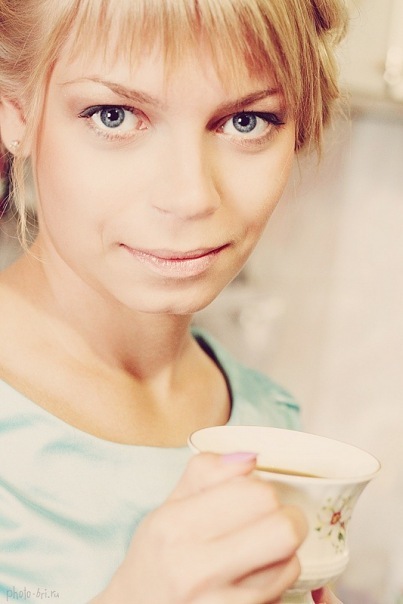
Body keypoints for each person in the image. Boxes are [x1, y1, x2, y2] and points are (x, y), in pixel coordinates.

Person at [0, 0, 348, 602]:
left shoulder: (270, 425)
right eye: (114, 116)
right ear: (16, 111)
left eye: (247, 122)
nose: (190, 197)